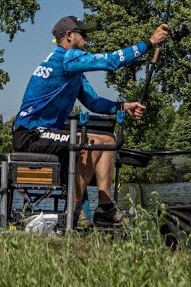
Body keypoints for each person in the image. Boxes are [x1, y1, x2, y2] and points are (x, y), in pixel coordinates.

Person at [12, 15, 169, 227]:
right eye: (83, 34)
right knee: (88, 144)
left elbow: (93, 102)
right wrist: (149, 43)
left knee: (107, 140)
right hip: (30, 134)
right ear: (69, 36)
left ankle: (105, 207)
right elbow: (110, 62)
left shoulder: (72, 69)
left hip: (45, 133)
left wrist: (123, 106)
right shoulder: (66, 59)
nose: (87, 39)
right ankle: (74, 211)